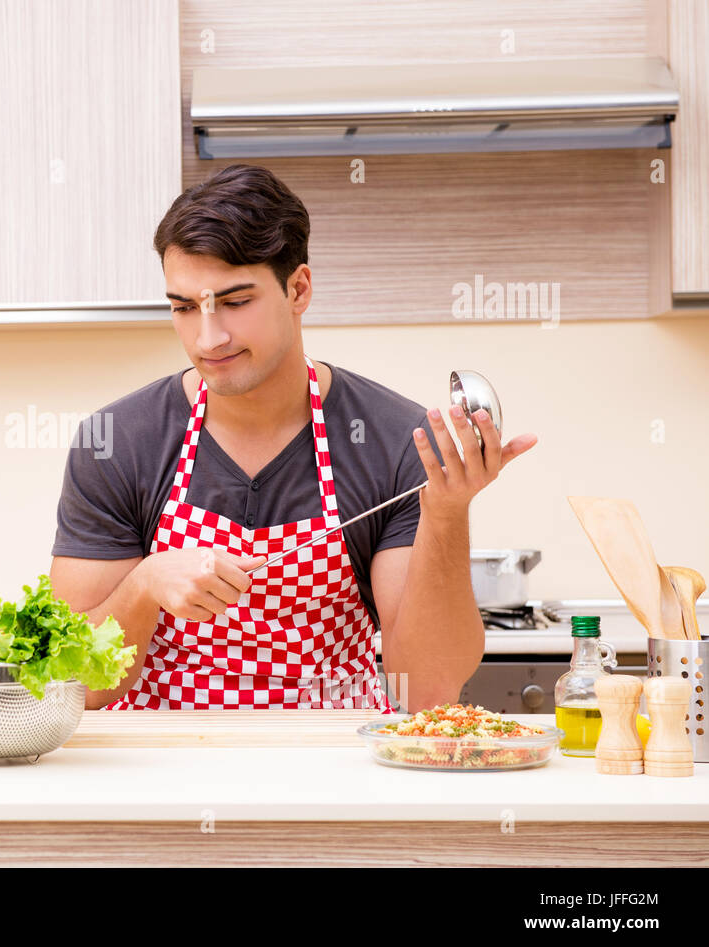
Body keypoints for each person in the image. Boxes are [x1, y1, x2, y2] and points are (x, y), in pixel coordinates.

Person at [49, 164, 537, 711]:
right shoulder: (116, 443)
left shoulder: (397, 441)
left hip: (333, 776)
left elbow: (425, 690)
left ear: (298, 288)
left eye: (235, 302)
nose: (208, 338)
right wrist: (145, 584)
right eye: (185, 308)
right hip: (163, 773)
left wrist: (447, 513)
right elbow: (78, 688)